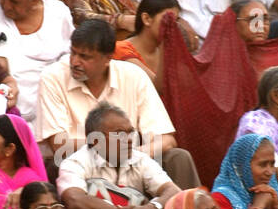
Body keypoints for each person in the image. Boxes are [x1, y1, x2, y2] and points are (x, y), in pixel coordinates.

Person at [36, 16, 180, 164]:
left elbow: (166, 139)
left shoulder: (133, 76)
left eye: (84, 57)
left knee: (178, 157)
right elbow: (60, 145)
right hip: (79, 165)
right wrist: (113, 150)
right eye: (73, 53)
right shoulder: (53, 77)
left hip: (133, 163)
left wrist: (131, 156)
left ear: (107, 59)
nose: (74, 62)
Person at [57, 104, 179, 209]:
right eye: (119, 134)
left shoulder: (139, 158)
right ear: (95, 140)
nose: (129, 140)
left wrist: (151, 208)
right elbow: (74, 200)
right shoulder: (75, 162)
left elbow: (173, 191)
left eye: (130, 133)